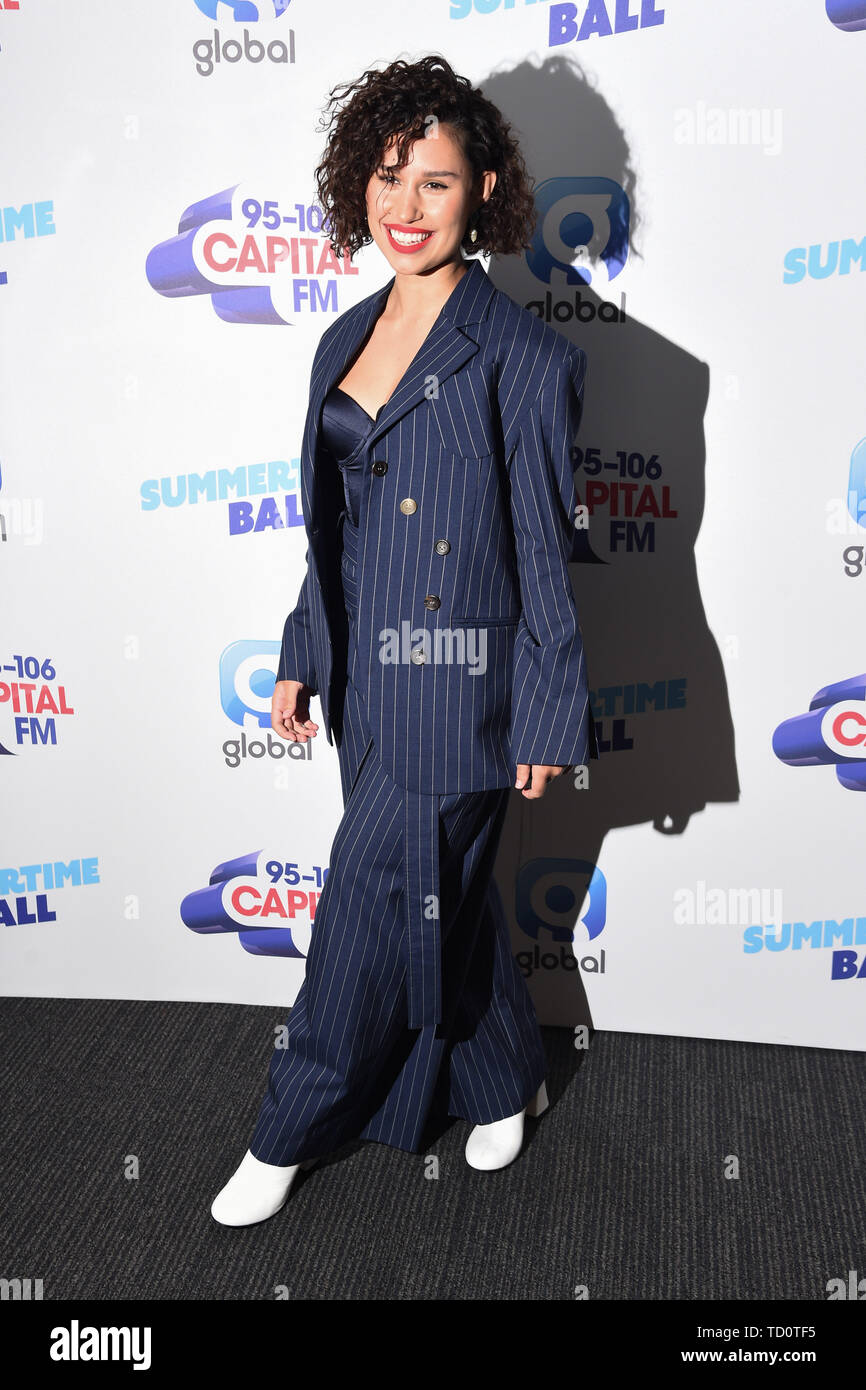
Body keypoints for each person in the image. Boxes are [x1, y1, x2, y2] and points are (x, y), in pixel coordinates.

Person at [211, 53, 598, 1227]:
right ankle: (500, 1078)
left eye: (434, 181)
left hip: (464, 688)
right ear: (355, 184)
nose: (406, 206)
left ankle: (288, 1126)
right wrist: (299, 645)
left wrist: (543, 706)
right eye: (387, 177)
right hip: (364, 688)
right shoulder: (341, 337)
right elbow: (334, 527)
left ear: (482, 190)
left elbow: (545, 549)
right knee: (446, 898)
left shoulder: (524, 358)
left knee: (370, 895)